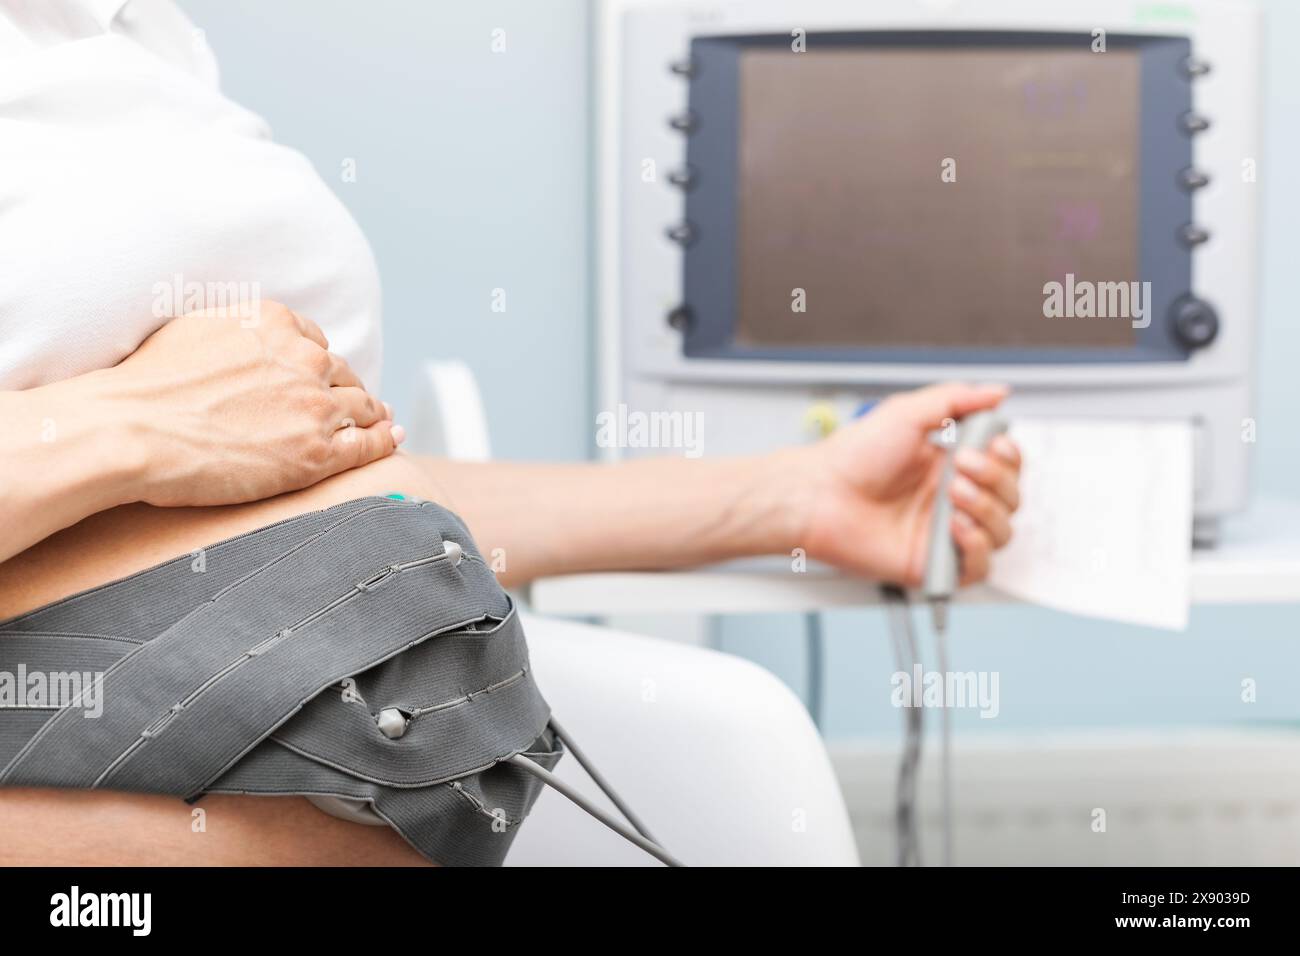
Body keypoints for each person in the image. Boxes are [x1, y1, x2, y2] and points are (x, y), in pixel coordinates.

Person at [0, 0, 1020, 865]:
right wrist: (129, 425)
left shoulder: (133, 35)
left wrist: (794, 498)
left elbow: (327, 492)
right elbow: (193, 454)